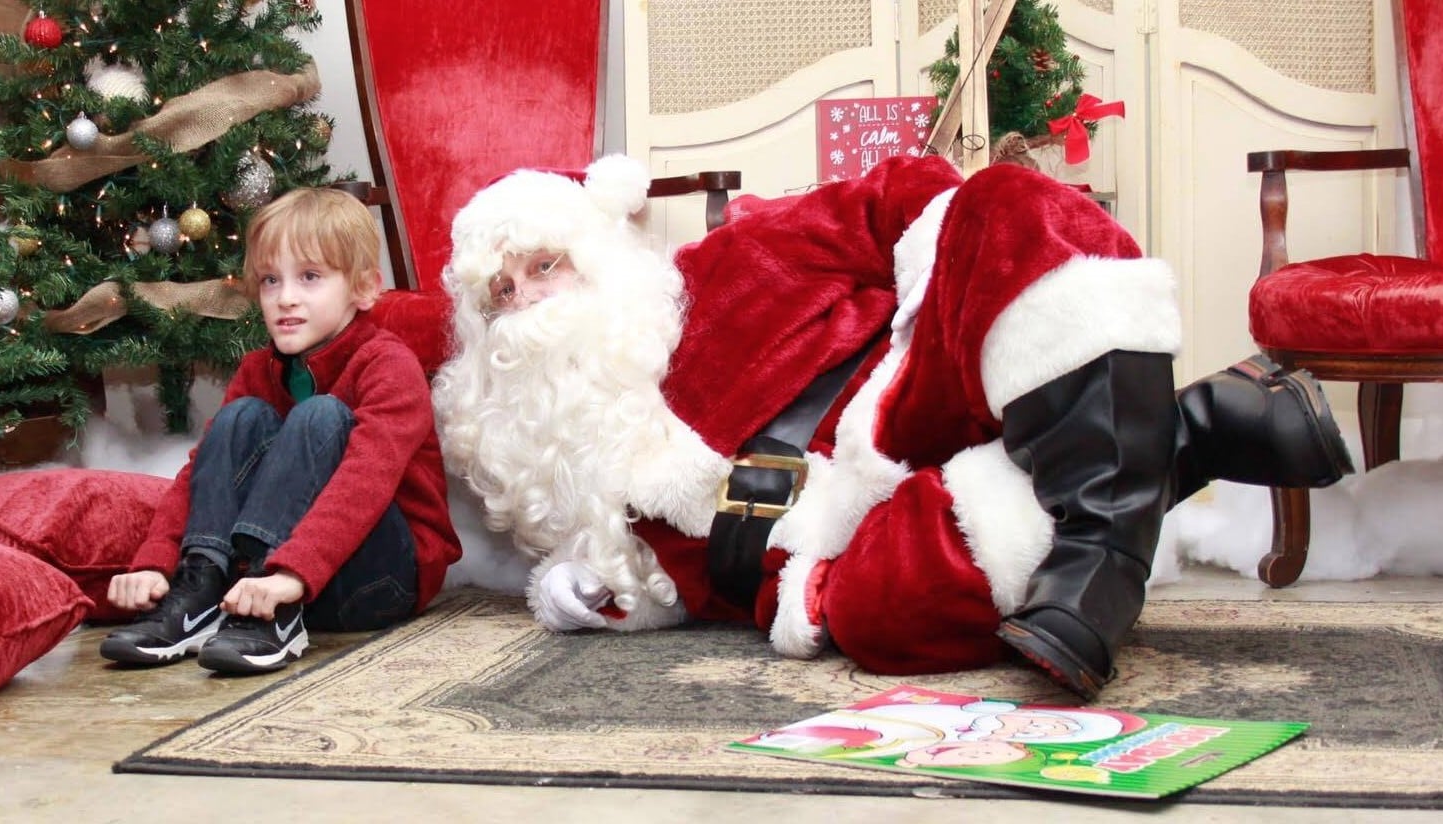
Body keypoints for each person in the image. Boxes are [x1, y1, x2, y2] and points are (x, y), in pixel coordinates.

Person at [431, 153, 1352, 700]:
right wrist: (594, 596)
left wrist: (942, 267)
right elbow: (675, 590)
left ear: (596, 254)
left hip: (914, 401)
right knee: (879, 616)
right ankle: (1194, 433)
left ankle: (1099, 562)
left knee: (1009, 205)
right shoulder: (583, 476)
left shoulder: (727, 264)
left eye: (541, 267)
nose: (523, 304)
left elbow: (896, 195)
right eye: (498, 295)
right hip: (835, 542)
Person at [99, 187, 461, 674]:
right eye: (271, 281)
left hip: (379, 579)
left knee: (320, 415)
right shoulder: (258, 370)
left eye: (310, 277)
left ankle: (278, 609)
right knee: (241, 416)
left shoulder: (387, 364)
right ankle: (202, 587)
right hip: (273, 577)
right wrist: (153, 560)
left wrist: (291, 574)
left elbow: (364, 483)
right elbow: (200, 475)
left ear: (364, 288)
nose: (286, 298)